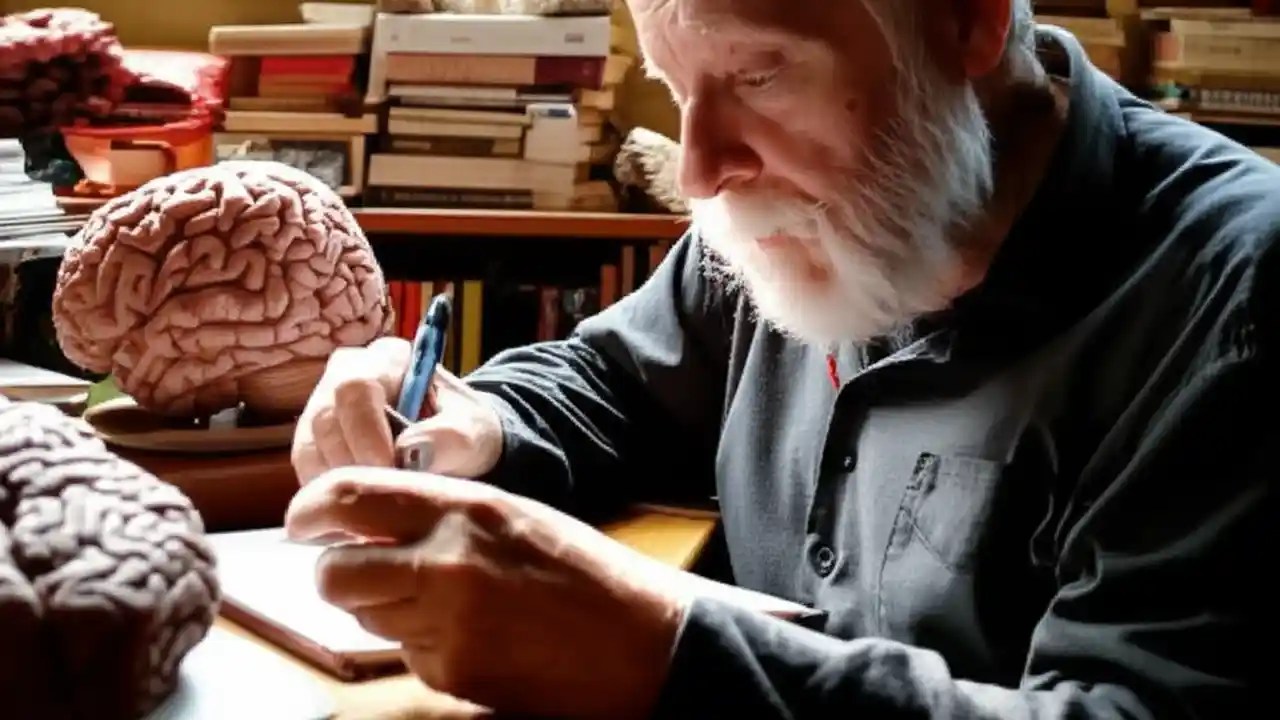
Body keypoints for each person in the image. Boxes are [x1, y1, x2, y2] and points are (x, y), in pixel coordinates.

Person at [286, 0, 1276, 717]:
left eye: (758, 75)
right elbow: (612, 382)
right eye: (677, 89)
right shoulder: (785, 211)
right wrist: (477, 421)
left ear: (967, 21)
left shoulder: (1233, 292)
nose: (698, 168)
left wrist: (665, 660)